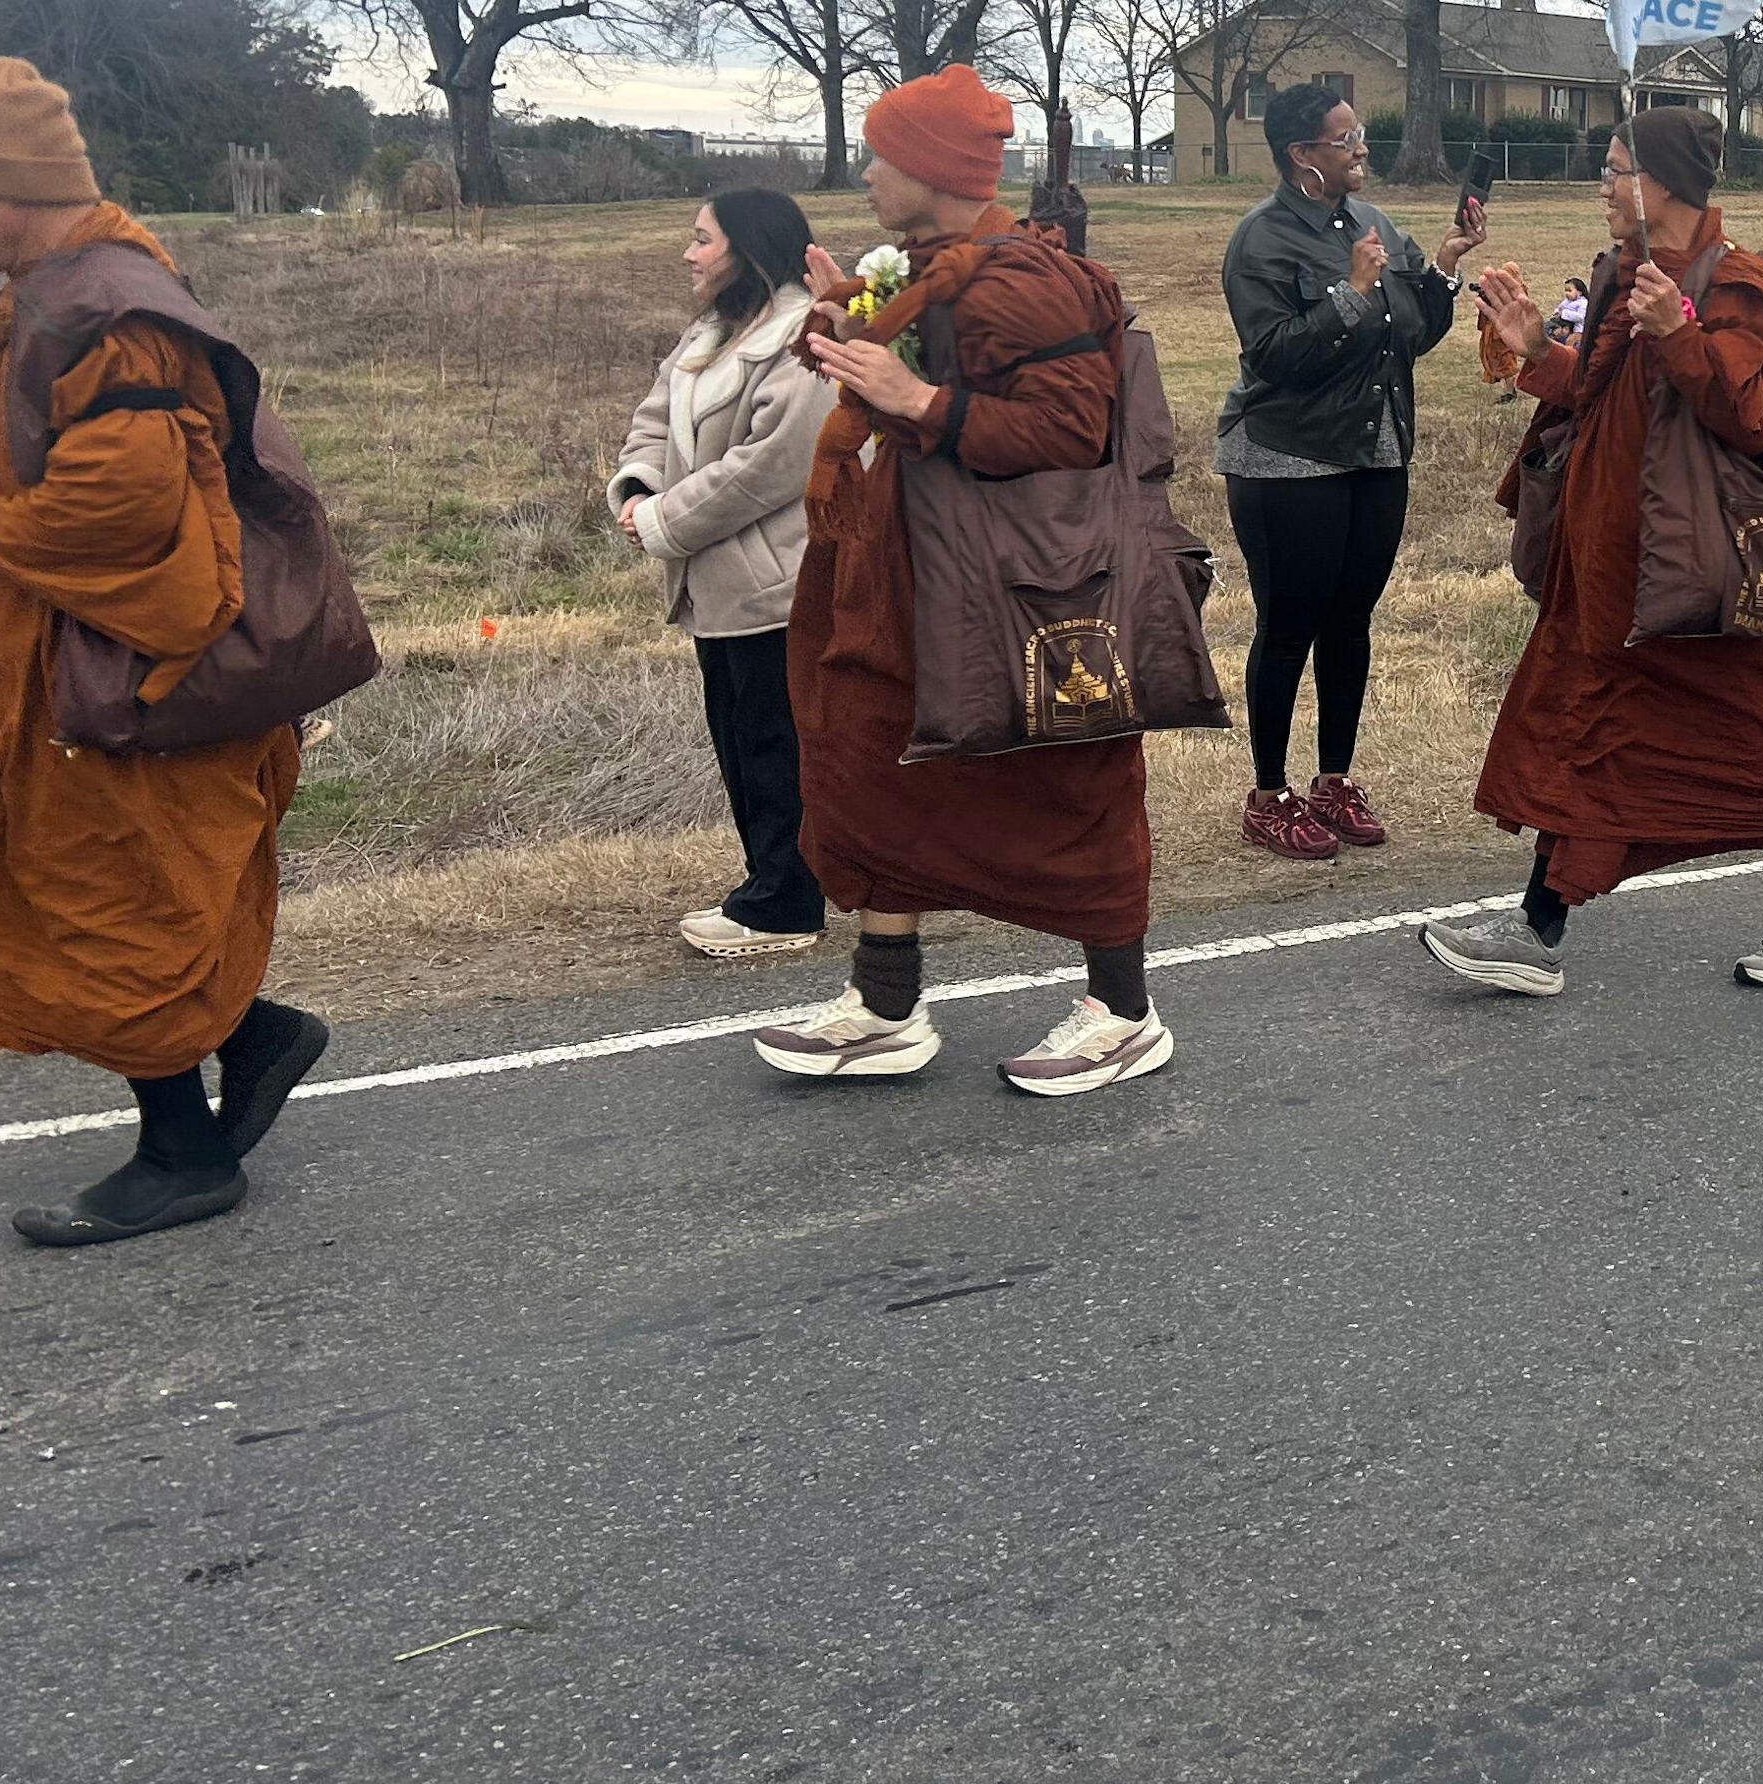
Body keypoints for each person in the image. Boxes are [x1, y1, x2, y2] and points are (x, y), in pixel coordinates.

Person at [0, 57, 326, 1244]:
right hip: (74, 660)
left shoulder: (103, 304)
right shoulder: (57, 285)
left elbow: (125, 503)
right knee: (85, 889)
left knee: (112, 899)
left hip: (120, 677)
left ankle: (185, 1156)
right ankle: (251, 1033)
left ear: (4, 186)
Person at [749, 66, 1174, 1097]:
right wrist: (851, 340)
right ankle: (885, 1003)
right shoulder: (920, 268)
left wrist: (920, 401)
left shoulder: (1023, 280)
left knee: (1064, 784)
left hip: (1016, 587)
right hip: (906, 569)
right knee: (874, 755)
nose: (864, 171)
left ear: (930, 168)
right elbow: (908, 384)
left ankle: (1122, 1011)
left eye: (880, 153)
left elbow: (1073, 430)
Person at [1430, 111, 1763, 995]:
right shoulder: (1627, 275)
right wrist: (1534, 351)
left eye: (1615, 166)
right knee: (1589, 729)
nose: (1601, 181)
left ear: (1660, 183)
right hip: (1607, 567)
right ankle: (1538, 928)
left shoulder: (1737, 282)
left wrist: (1678, 332)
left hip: (1694, 569)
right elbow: (1595, 395)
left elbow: (1755, 416)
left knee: (1753, 731)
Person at [1214, 83, 1476, 862]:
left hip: (1376, 449)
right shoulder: (1260, 241)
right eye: (1345, 137)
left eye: (1358, 134)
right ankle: (1268, 794)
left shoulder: (1373, 223)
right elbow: (1274, 356)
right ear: (1302, 154)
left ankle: (1334, 781)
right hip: (1288, 455)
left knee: (1350, 622)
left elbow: (1410, 337)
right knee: (1289, 624)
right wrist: (1351, 293)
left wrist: (1442, 272)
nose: (1362, 147)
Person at [609, 189, 830, 960]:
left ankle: (786, 903)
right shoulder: (708, 333)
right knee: (739, 741)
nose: (688, 253)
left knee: (777, 747)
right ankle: (768, 885)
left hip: (780, 584)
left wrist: (665, 521)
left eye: (701, 239)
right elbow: (651, 418)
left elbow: (771, 464)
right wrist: (638, 490)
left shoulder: (804, 336)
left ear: (746, 247)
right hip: (715, 583)